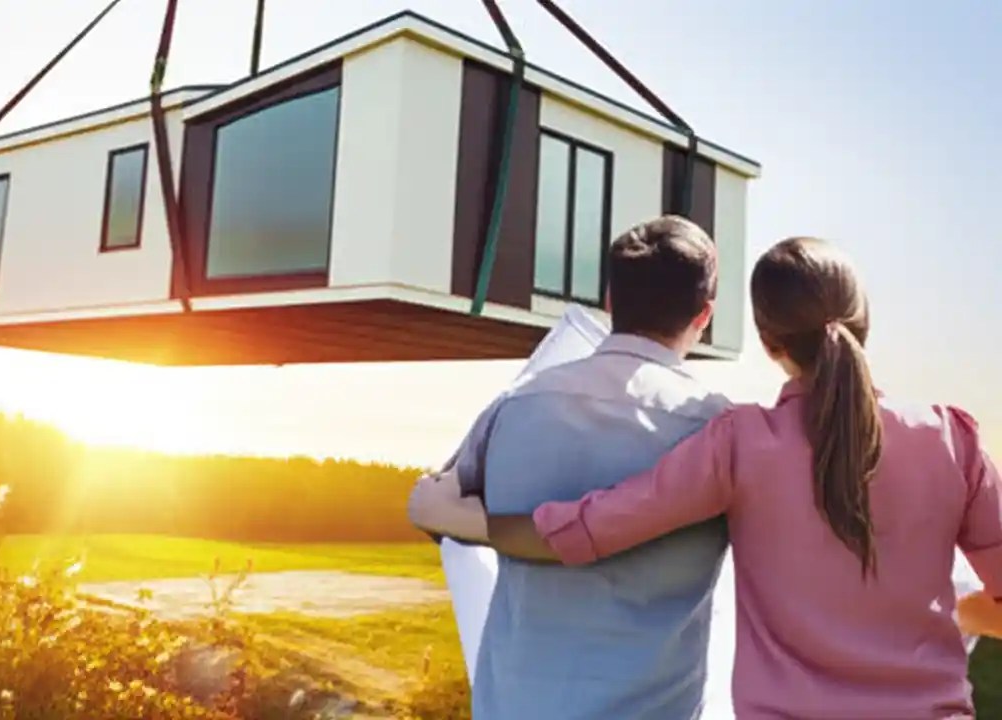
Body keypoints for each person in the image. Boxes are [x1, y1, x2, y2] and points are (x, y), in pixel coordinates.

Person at [488, 236, 1002, 718]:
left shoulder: (740, 444)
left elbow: (592, 528)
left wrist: (477, 520)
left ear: (767, 340)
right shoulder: (951, 439)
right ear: (864, 321)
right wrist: (942, 616)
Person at [409, 215, 731, 719]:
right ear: (704, 314)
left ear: (609, 299)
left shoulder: (516, 405)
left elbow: (436, 507)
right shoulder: (720, 430)